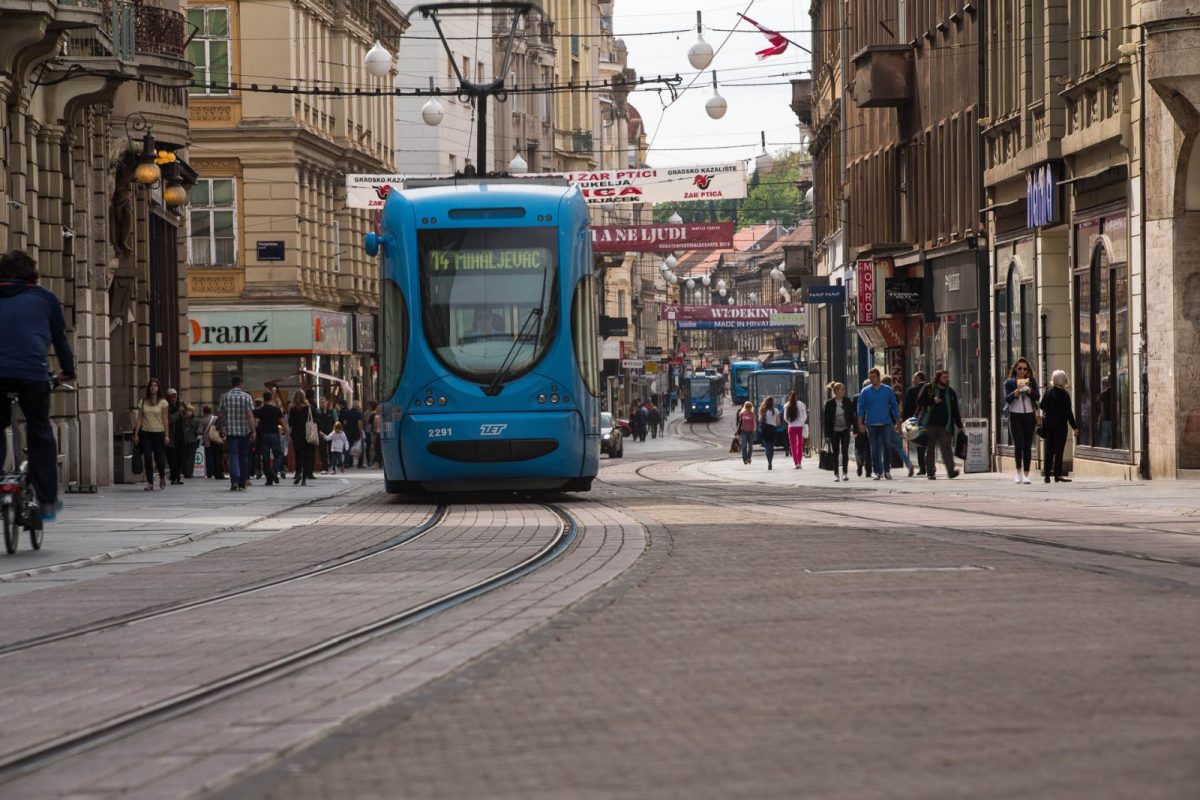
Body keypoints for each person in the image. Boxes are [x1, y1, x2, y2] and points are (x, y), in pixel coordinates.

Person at [0, 250, 75, 520]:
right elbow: (60, 340)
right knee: (40, 430)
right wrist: (68, 371)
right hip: (33, 374)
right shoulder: (45, 297)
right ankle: (46, 500)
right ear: (32, 275)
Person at [916, 369, 964, 480]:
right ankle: (930, 472)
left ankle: (951, 471)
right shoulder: (929, 388)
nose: (946, 379)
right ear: (938, 378)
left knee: (946, 448)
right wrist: (932, 401)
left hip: (945, 425)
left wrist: (959, 425)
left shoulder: (950, 392)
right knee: (930, 448)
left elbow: (955, 410)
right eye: (944, 377)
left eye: (947, 377)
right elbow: (920, 401)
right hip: (930, 424)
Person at [857, 368, 899, 480]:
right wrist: (860, 423)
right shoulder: (865, 391)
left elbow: (894, 406)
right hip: (871, 423)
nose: (871, 379)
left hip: (886, 423)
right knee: (874, 449)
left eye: (873, 377)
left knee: (887, 447)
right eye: (870, 377)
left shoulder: (888, 390)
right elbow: (860, 408)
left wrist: (898, 422)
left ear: (878, 377)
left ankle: (887, 470)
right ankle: (877, 471)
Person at [1003, 357, 1041, 485]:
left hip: (1029, 415)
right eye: (1019, 368)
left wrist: (1029, 390)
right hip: (1015, 415)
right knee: (1018, 444)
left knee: (1027, 445)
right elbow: (1006, 399)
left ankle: (1026, 474)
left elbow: (1037, 396)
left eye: (1025, 369)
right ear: (1015, 369)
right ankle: (1018, 472)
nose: (1022, 371)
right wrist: (1017, 391)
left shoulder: (1031, 381)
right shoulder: (1009, 382)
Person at [216, 374, 256, 491]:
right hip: (244, 431)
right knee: (244, 456)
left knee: (233, 455)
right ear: (241, 384)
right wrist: (253, 430)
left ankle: (234, 481)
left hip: (231, 432)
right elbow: (250, 415)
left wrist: (222, 428)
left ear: (232, 384)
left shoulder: (225, 397)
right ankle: (243, 482)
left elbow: (221, 415)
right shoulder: (246, 397)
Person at [1039, 369, 1078, 483]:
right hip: (1060, 426)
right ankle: (1058, 474)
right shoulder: (1064, 395)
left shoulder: (1048, 392)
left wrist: (1050, 411)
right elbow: (1068, 413)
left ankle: (1047, 475)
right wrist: (1074, 427)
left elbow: (1042, 406)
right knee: (1059, 450)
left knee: (1049, 450)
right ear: (1064, 381)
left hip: (1049, 424)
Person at [132, 378, 170, 491]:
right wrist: (136, 434)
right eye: (151, 385)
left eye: (155, 385)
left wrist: (167, 435)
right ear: (149, 388)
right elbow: (139, 419)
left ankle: (162, 476)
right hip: (145, 433)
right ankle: (150, 482)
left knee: (159, 459)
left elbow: (165, 420)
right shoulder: (142, 402)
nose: (153, 387)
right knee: (148, 457)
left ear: (158, 388)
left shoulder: (163, 402)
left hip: (159, 432)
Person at [881, 376, 915, 477]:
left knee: (883, 447)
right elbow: (897, 409)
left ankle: (885, 468)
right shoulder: (894, 394)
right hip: (892, 423)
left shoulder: (881, 394)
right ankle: (908, 464)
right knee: (898, 447)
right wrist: (898, 423)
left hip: (883, 423)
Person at [822, 382, 855, 481]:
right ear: (836, 391)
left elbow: (851, 415)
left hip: (845, 429)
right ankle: (836, 474)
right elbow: (826, 420)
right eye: (842, 389)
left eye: (844, 389)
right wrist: (826, 435)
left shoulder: (847, 401)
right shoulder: (829, 403)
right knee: (835, 452)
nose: (844, 391)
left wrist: (855, 428)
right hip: (834, 431)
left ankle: (845, 473)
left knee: (845, 451)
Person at [256, 390, 285, 485]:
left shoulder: (260, 410)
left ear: (264, 399)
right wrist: (287, 432)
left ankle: (269, 479)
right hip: (274, 434)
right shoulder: (276, 409)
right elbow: (282, 422)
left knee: (265, 457)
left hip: (263, 435)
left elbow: (256, 423)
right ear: (271, 398)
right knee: (279, 454)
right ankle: (273, 470)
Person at [902, 371, 927, 475]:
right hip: (929, 420)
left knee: (920, 445)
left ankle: (922, 468)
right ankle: (929, 466)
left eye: (914, 378)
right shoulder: (930, 389)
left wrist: (905, 421)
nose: (913, 380)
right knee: (929, 444)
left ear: (919, 379)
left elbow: (906, 407)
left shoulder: (912, 391)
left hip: (916, 421)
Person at [287, 390, 314, 486]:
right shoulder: (309, 408)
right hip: (307, 434)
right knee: (306, 456)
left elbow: (290, 423)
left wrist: (289, 435)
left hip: (296, 435)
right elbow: (314, 420)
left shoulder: (293, 409)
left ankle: (298, 472)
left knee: (298, 455)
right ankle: (304, 478)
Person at [198, 404, 224, 480]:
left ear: (204, 411)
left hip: (207, 442)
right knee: (217, 457)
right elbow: (221, 428)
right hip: (216, 440)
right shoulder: (216, 418)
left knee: (209, 458)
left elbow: (199, 431)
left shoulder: (202, 420)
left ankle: (209, 473)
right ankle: (217, 472)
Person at [165, 389, 185, 485]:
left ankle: (177, 477)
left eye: (175, 396)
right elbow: (170, 420)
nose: (173, 399)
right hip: (171, 438)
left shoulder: (180, 406)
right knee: (172, 460)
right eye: (171, 397)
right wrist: (178, 413)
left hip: (180, 437)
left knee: (179, 459)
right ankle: (174, 477)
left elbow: (187, 417)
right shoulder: (166, 408)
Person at [784, 390, 807, 469]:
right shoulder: (800, 404)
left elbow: (785, 418)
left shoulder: (787, 405)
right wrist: (801, 422)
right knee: (800, 445)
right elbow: (805, 415)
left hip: (791, 427)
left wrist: (790, 422)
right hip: (799, 427)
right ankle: (800, 462)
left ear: (789, 396)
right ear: (796, 396)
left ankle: (796, 463)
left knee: (793, 445)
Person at [759, 395, 781, 470]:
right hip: (773, 430)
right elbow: (778, 422)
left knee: (767, 447)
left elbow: (760, 420)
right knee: (771, 447)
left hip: (765, 430)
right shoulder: (776, 410)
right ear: (773, 403)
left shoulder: (763, 410)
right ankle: (770, 462)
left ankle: (769, 462)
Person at [316, 396, 336, 473]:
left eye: (323, 402)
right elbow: (316, 423)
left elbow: (335, 421)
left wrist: (334, 431)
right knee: (322, 451)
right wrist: (319, 431)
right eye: (321, 403)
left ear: (326, 402)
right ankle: (325, 467)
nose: (322, 404)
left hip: (331, 433)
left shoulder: (331, 412)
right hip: (321, 433)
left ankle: (332, 466)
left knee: (332, 450)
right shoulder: (318, 412)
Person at [341, 400, 364, 467]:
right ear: (357, 406)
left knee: (348, 447)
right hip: (355, 432)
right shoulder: (358, 414)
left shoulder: (347, 412)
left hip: (348, 432)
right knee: (359, 446)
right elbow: (359, 423)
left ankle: (348, 462)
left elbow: (344, 422)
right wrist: (361, 432)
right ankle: (359, 464)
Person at [181, 403, 200, 479]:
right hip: (184, 440)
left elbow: (198, 430)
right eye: (187, 411)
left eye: (190, 411)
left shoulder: (196, 421)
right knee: (184, 457)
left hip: (193, 441)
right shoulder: (183, 420)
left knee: (191, 458)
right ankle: (185, 471)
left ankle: (189, 473)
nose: (188, 412)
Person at [735, 400, 756, 464]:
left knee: (750, 447)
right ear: (745, 406)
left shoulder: (752, 414)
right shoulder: (742, 413)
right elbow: (739, 423)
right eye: (747, 406)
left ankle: (749, 458)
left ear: (751, 407)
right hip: (743, 431)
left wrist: (754, 430)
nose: (748, 407)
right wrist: (738, 432)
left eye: (749, 406)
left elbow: (754, 422)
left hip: (750, 432)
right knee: (744, 446)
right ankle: (745, 459)